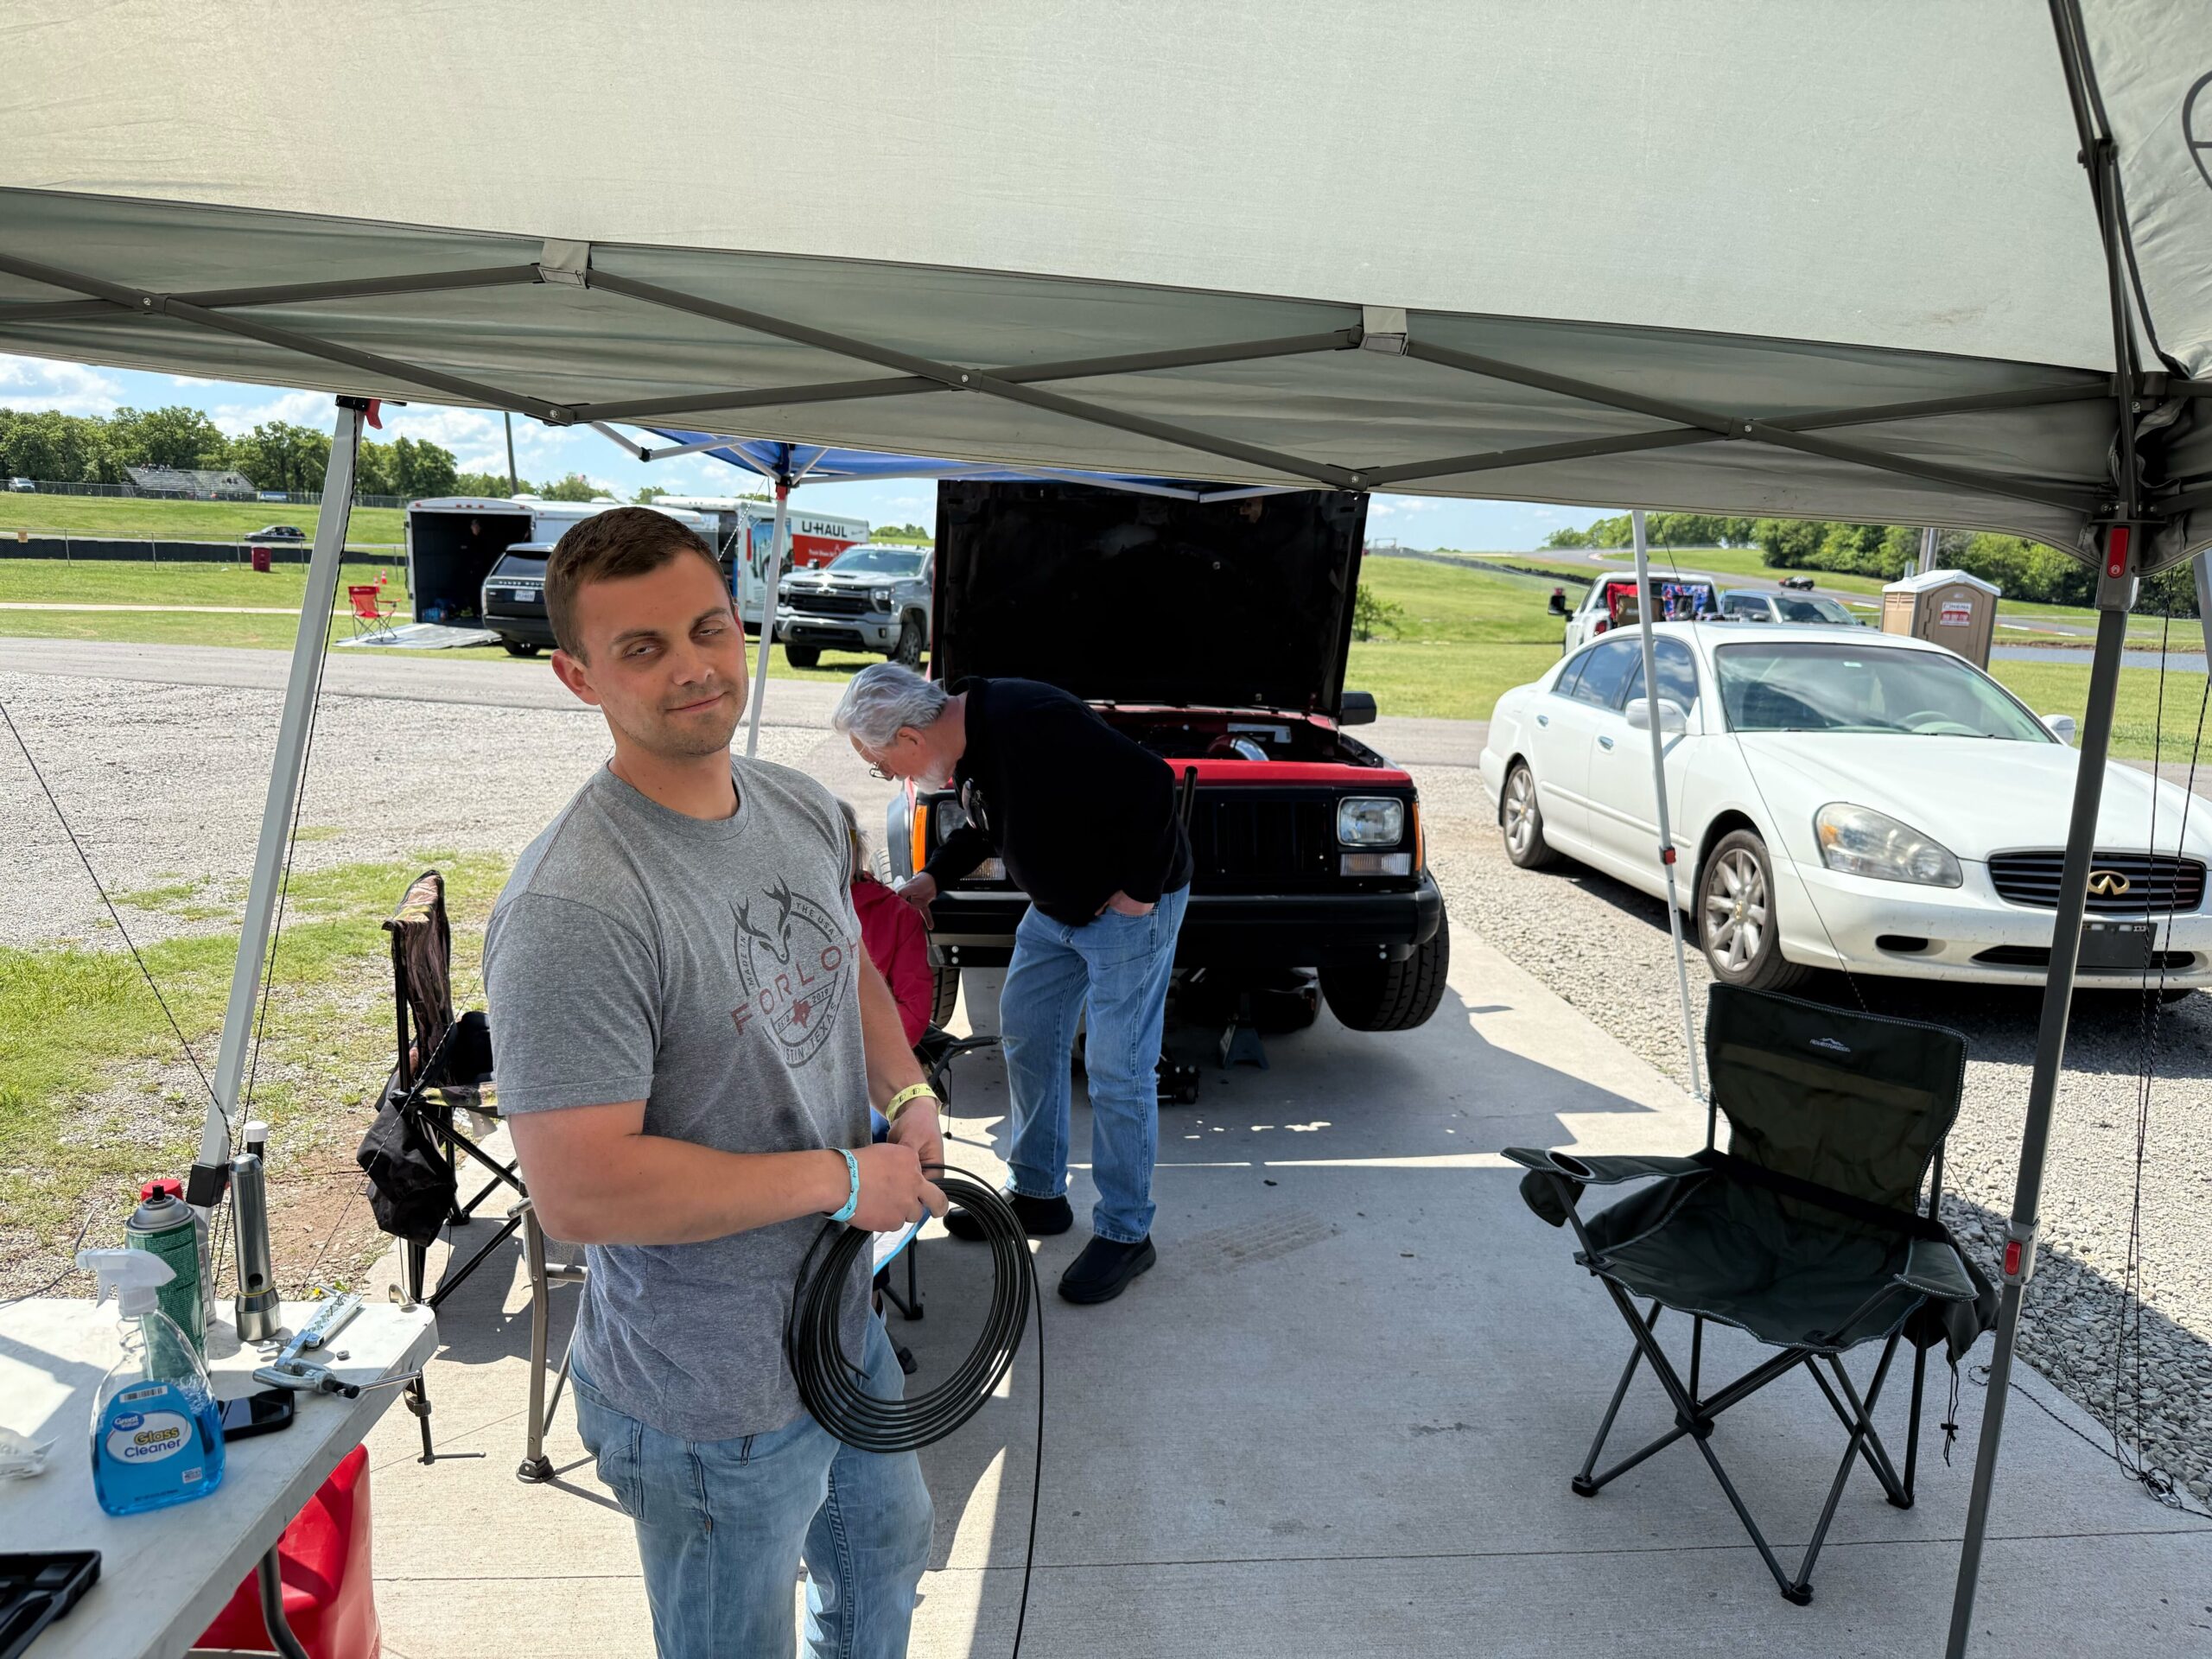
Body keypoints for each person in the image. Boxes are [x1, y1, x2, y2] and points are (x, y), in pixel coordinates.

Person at [483, 508, 947, 1659]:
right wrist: (844, 1179)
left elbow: (844, 967)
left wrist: (905, 1096)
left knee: (885, 1554)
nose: (694, 666)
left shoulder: (796, 806)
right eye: (642, 648)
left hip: (838, 1325)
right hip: (706, 1395)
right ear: (578, 677)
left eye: (709, 628)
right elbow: (583, 1192)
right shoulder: (574, 907)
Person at [831, 662, 1192, 1306]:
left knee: (1118, 1068)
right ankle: (1038, 1194)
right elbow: (984, 824)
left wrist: (1140, 893)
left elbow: (1154, 784)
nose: (890, 776)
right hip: (1056, 911)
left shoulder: (1030, 722)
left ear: (910, 737)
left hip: (1126, 911)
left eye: (883, 766)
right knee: (1027, 1033)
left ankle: (1126, 1230)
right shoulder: (963, 747)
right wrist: (934, 877)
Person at [836, 798, 933, 1048]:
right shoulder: (779, 914)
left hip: (870, 1057)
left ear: (857, 846)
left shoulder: (898, 916)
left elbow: (913, 1014)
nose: (833, 849)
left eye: (843, 837)